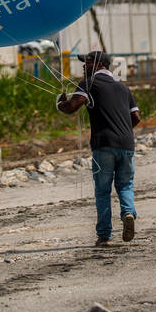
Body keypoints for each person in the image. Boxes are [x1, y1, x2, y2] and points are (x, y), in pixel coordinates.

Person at [56, 51, 141, 246]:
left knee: (103, 190)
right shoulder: (123, 88)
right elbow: (136, 118)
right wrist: (122, 132)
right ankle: (128, 213)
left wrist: (60, 103)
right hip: (127, 145)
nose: (84, 66)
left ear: (99, 64)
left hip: (103, 146)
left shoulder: (88, 84)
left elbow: (71, 107)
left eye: (87, 62)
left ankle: (104, 234)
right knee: (125, 185)